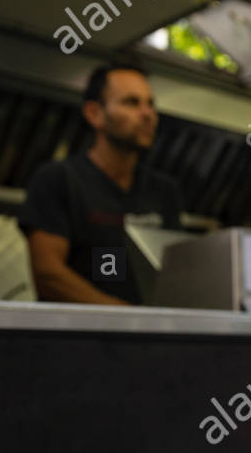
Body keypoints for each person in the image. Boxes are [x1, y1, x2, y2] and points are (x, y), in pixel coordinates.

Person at [19, 62, 183, 305]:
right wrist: (123, 317)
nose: (147, 114)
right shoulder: (58, 179)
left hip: (149, 338)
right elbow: (48, 275)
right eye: (131, 102)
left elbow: (176, 275)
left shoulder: (164, 191)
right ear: (94, 114)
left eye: (151, 104)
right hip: (74, 338)